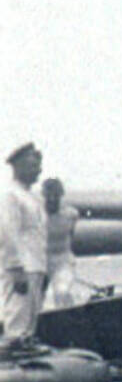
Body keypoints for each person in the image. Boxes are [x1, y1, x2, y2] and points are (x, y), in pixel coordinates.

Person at [1, 143, 47, 339]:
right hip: (21, 268)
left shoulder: (32, 197)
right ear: (18, 166)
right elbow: (7, 232)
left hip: (35, 265)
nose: (38, 171)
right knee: (17, 320)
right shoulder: (10, 195)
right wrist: (15, 267)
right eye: (33, 166)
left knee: (30, 321)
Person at [41, 179, 79, 309]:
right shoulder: (36, 215)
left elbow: (71, 236)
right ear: (43, 195)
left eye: (56, 196)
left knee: (62, 293)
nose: (52, 199)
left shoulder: (71, 214)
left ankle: (67, 324)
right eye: (48, 196)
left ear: (61, 196)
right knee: (33, 300)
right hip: (40, 261)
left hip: (62, 260)